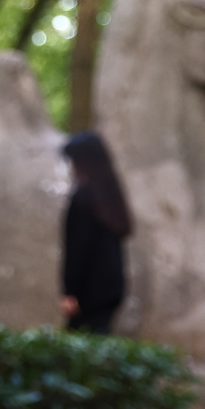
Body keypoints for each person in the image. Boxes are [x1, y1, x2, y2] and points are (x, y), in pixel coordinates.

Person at [59, 132, 132, 334]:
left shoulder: (83, 198)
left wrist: (70, 291)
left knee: (77, 345)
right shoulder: (110, 196)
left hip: (87, 293)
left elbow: (77, 248)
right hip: (111, 289)